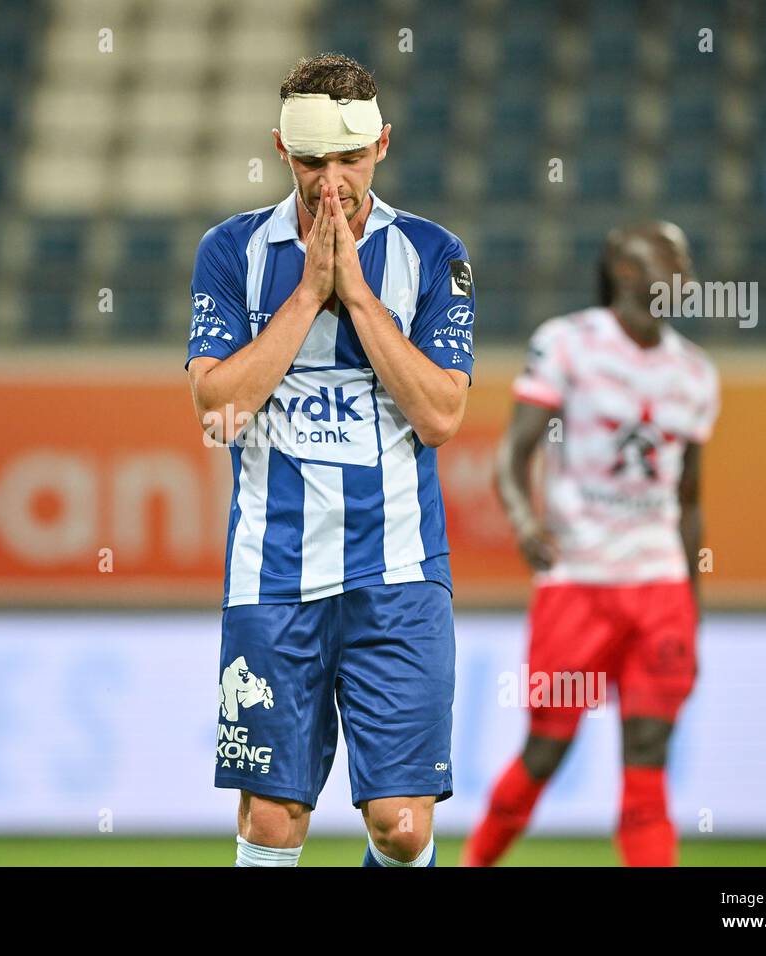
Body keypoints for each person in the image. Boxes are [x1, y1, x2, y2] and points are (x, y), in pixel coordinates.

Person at [185, 53, 475, 867]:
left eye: (349, 160)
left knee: (402, 826)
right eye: (314, 162)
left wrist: (356, 293)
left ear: (382, 145)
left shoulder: (432, 252)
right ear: (282, 150)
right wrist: (308, 294)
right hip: (272, 576)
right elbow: (219, 412)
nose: (332, 181)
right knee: (272, 821)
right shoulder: (232, 250)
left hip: (399, 576)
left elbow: (442, 413)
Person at [464, 222, 719, 867]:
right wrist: (523, 520)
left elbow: (689, 503)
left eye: (686, 262)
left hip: (657, 589)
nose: (685, 276)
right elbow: (513, 452)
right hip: (577, 585)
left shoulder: (694, 373)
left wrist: (692, 607)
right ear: (627, 273)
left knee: (647, 761)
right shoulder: (567, 344)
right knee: (546, 751)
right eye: (670, 262)